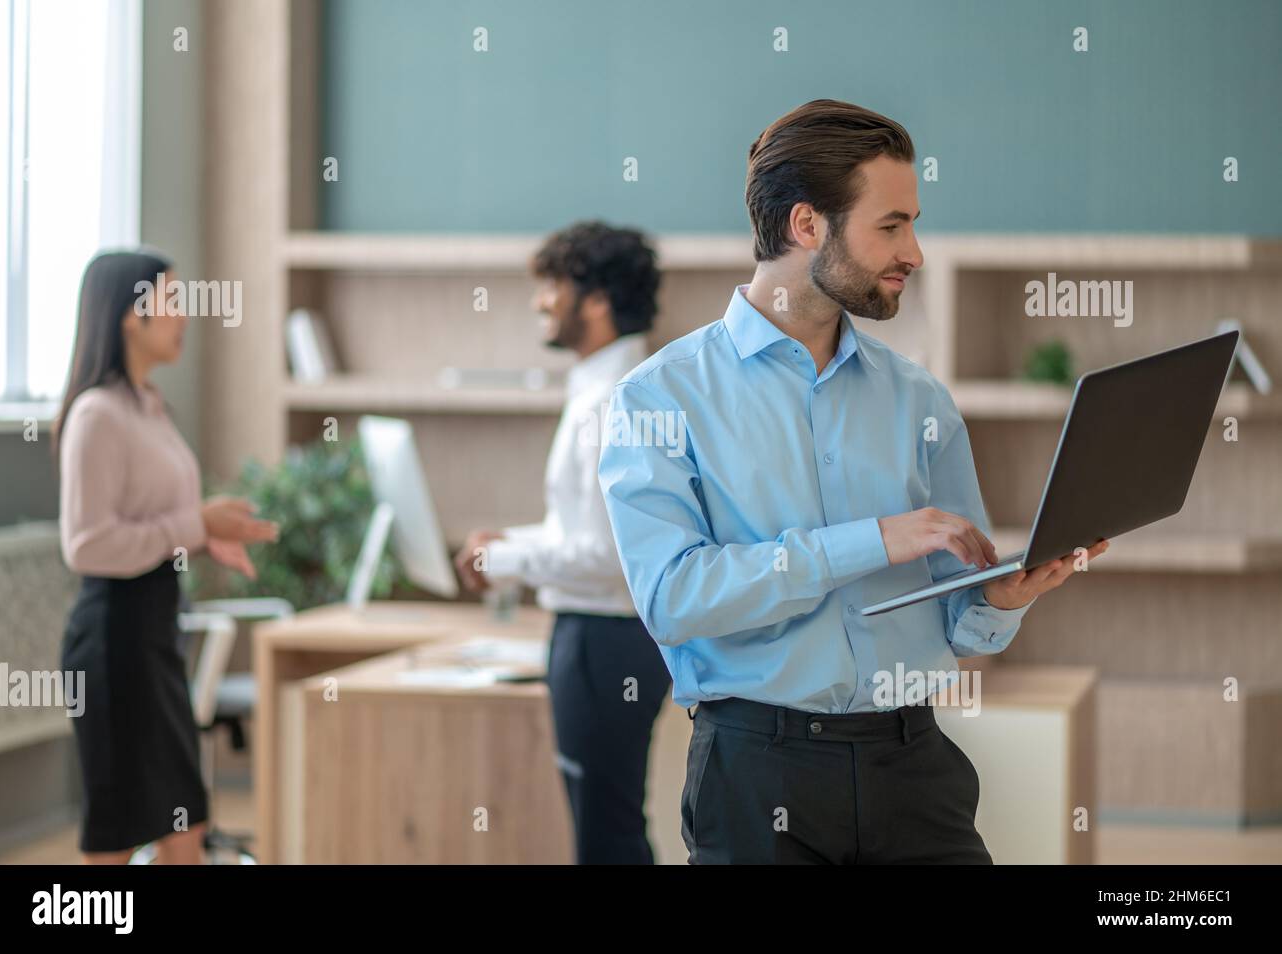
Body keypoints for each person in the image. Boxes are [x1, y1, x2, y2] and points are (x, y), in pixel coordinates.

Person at [597, 100, 1109, 864]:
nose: (916, 253)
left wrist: (1001, 599)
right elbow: (672, 598)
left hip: (914, 764)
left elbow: (956, 614)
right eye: (891, 225)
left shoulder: (920, 400)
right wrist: (871, 541)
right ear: (808, 226)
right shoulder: (659, 398)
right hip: (756, 771)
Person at [454, 222, 671, 864]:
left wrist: (506, 561)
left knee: (606, 834)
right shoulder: (603, 389)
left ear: (597, 299)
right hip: (600, 636)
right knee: (605, 824)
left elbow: (609, 555)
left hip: (606, 639)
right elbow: (586, 530)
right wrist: (512, 542)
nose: (539, 301)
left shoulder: (615, 400)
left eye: (552, 286)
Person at [55, 250, 278, 864]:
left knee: (185, 828)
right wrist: (193, 524)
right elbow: (87, 543)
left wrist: (206, 534)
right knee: (120, 839)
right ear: (131, 315)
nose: (183, 316)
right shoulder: (97, 415)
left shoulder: (149, 406)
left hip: (154, 635)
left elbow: (154, 518)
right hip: (114, 640)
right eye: (172, 301)